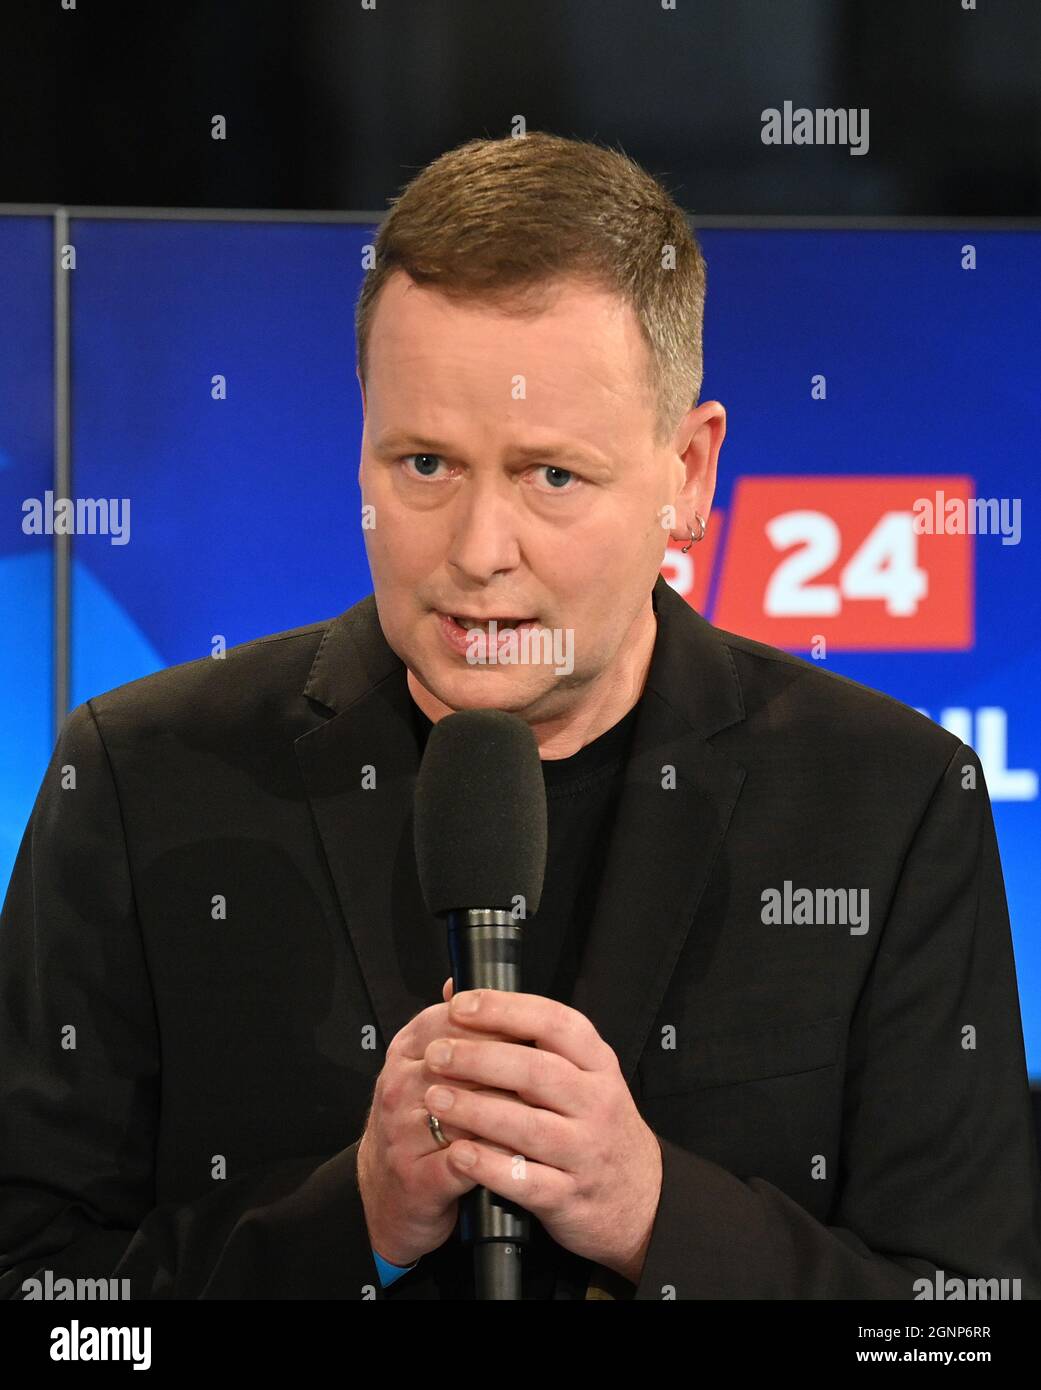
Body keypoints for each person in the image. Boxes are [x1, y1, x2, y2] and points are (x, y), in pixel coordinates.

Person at [2, 131, 1039, 1300]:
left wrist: (658, 1215)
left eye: (552, 476)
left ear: (688, 478)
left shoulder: (890, 802)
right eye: (426, 463)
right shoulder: (139, 780)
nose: (479, 553)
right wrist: (354, 1223)